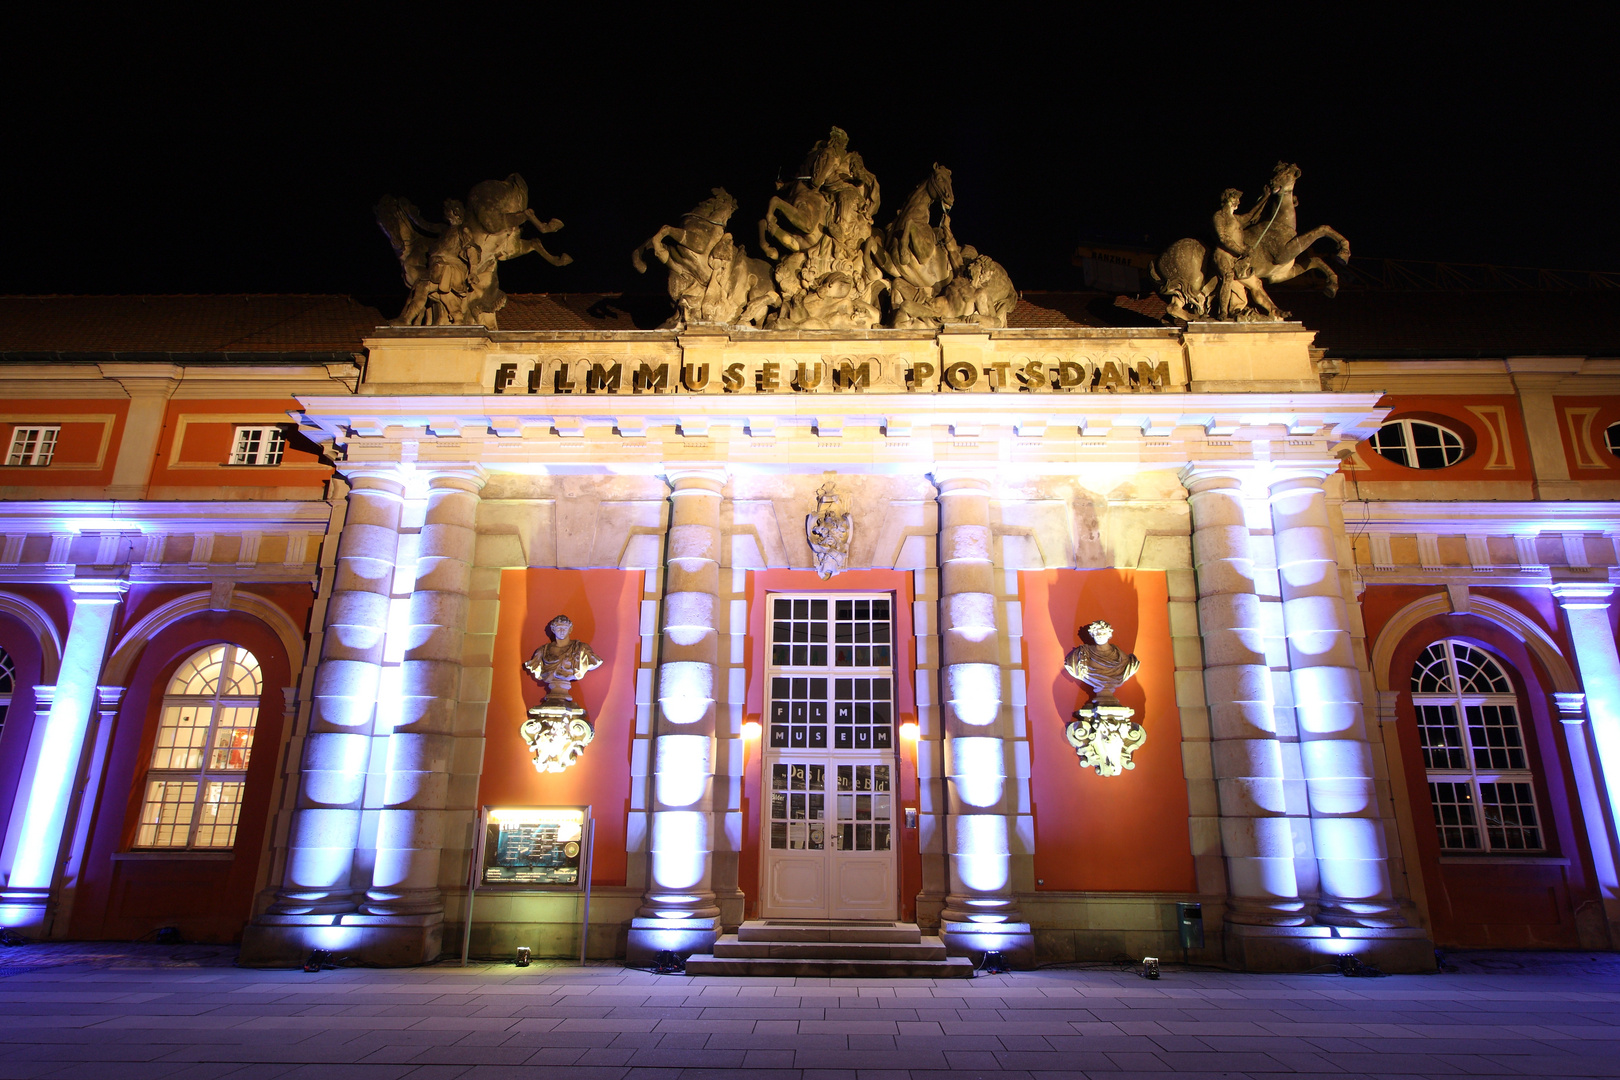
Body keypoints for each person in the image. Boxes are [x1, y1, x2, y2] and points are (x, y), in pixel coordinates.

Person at [524, 615, 603, 701]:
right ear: (553, 630)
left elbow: (594, 661)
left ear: (570, 629)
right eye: (559, 628)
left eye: (565, 628)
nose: (562, 631)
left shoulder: (581, 649)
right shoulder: (543, 650)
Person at [1063, 620, 1140, 705]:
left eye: (1102, 632)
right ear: (1092, 635)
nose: (1099, 635)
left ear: (1109, 634)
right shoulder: (1081, 654)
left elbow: (1128, 665)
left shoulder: (1125, 661)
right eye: (1096, 633)